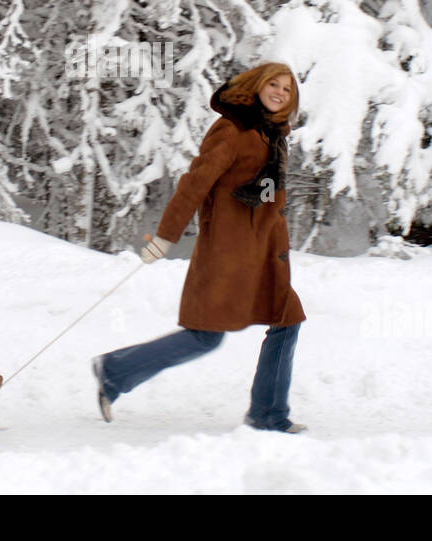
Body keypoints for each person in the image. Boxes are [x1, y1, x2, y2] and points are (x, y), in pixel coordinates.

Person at [91, 63, 307, 433]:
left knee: (287, 321)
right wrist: (164, 236)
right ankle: (115, 370)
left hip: (265, 255)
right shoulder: (233, 129)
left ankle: (268, 414)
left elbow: (268, 198)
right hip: (229, 254)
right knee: (205, 337)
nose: (280, 93)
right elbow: (196, 183)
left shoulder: (271, 136)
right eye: (274, 84)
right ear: (257, 86)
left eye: (287, 89)